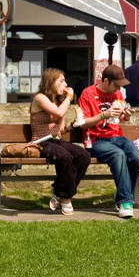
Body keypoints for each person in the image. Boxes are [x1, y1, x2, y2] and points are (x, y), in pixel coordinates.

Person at [77, 65, 139, 218]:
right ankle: (125, 201)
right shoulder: (88, 94)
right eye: (116, 85)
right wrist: (103, 115)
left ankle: (122, 195)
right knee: (118, 155)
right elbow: (83, 123)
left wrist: (126, 116)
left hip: (117, 136)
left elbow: (118, 119)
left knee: (137, 158)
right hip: (96, 140)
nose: (119, 89)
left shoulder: (117, 94)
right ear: (106, 81)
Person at [30, 68, 91, 215]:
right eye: (61, 81)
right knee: (65, 157)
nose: (65, 84)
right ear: (50, 82)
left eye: (65, 80)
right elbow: (58, 112)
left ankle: (60, 192)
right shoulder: (40, 98)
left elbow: (60, 129)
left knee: (84, 156)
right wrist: (69, 99)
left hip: (55, 140)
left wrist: (73, 125)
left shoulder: (57, 101)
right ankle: (66, 199)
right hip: (41, 142)